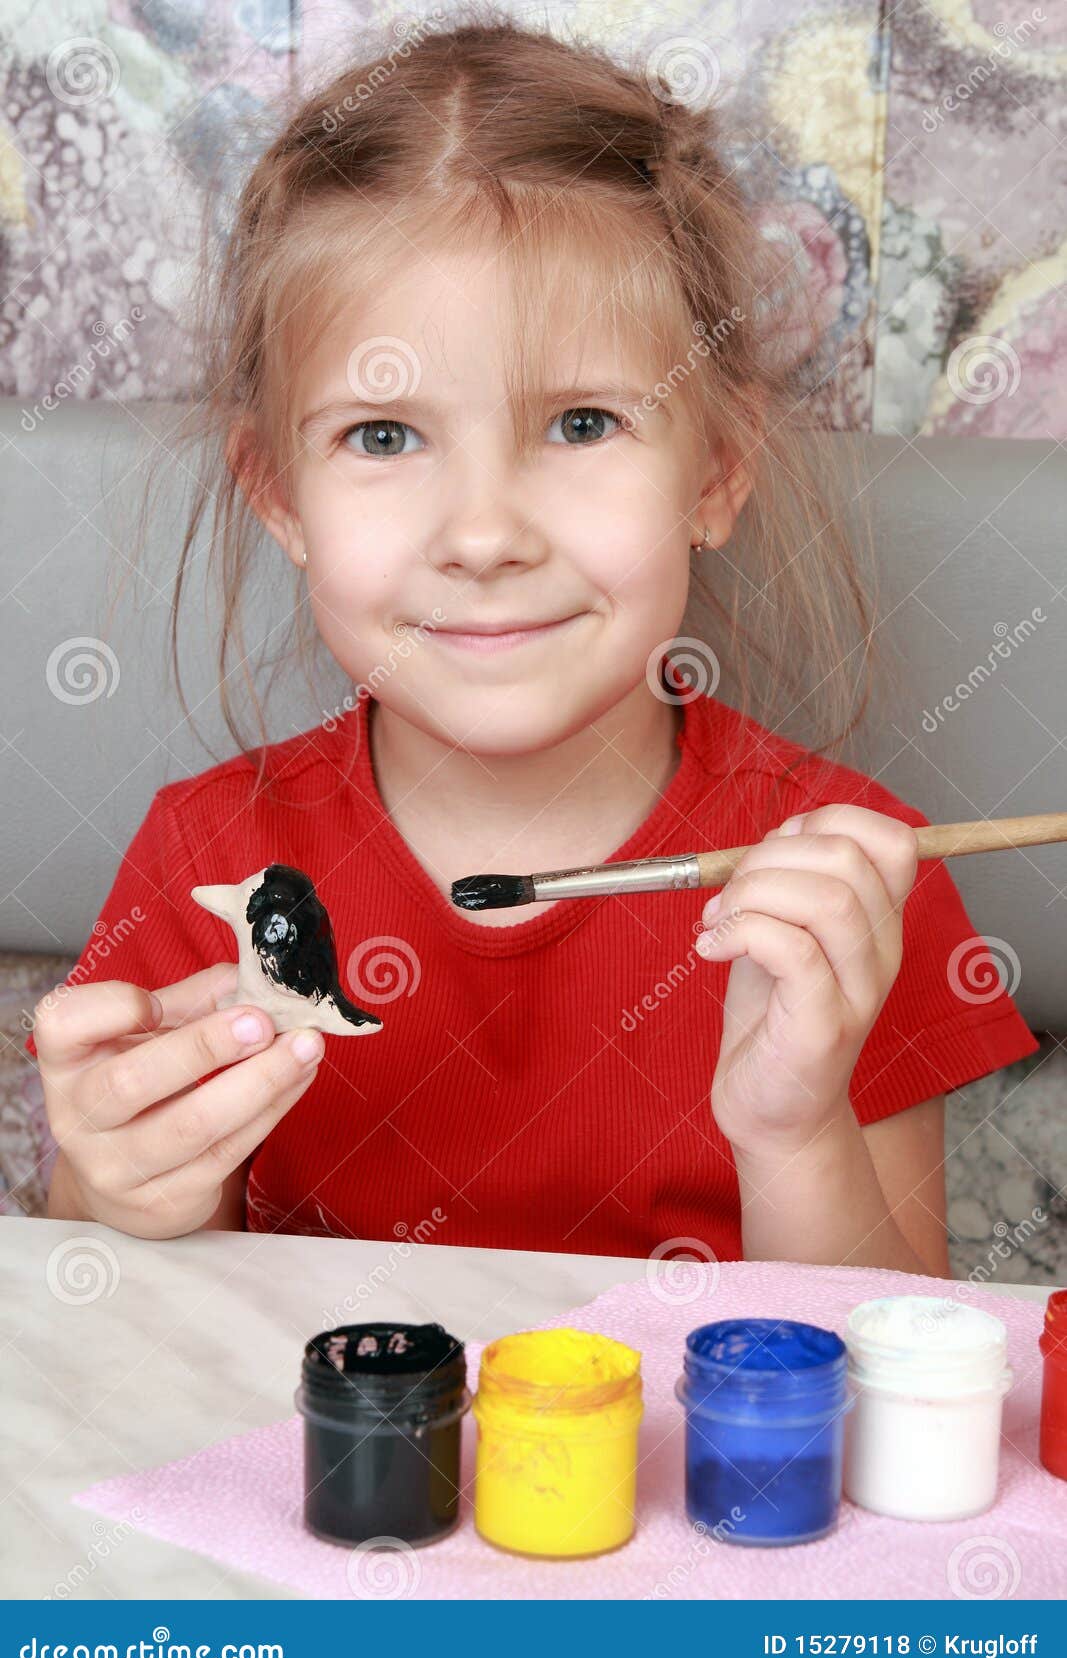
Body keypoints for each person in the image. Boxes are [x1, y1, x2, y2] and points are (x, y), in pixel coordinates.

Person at [26, 15, 1036, 1273]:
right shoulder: (206, 862)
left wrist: (792, 1130)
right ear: (279, 495)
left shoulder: (850, 879)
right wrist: (112, 1193)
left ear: (715, 472)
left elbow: (897, 1381)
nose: (485, 533)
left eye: (580, 421)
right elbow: (100, 1343)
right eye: (384, 437)